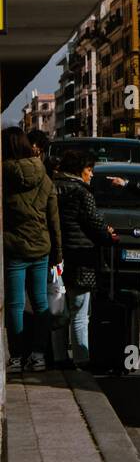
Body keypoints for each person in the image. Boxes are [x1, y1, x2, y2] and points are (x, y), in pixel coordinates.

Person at [3, 125, 63, 372]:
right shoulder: (44, 176)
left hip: (14, 247)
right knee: (40, 303)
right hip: (40, 247)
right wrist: (57, 253)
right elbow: (53, 219)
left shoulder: (4, 174)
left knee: (15, 304)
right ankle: (38, 355)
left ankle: (17, 356)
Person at [51, 150, 118, 368]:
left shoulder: (51, 186)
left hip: (55, 256)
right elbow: (93, 223)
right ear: (80, 170)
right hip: (81, 255)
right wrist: (108, 235)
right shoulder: (82, 192)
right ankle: (81, 359)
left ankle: (59, 357)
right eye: (89, 170)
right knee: (79, 312)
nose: (91, 175)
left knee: (58, 309)